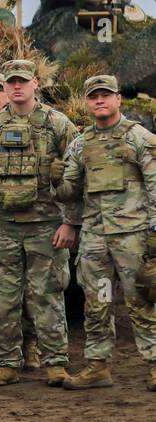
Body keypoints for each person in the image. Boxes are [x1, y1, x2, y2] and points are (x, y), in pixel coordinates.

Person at [0, 60, 77, 387]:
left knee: (46, 294)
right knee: (3, 296)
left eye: (22, 81)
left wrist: (70, 222)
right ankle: (5, 363)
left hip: (46, 224)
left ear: (35, 84)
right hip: (2, 225)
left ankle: (55, 363)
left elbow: (76, 175)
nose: (16, 87)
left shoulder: (58, 124)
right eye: (10, 83)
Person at [56, 74, 156, 392]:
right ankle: (98, 366)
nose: (99, 100)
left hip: (134, 234)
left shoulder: (139, 137)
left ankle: (155, 366)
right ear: (87, 103)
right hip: (95, 238)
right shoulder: (81, 143)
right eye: (93, 96)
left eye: (105, 95)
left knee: (142, 300)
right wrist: (55, 179)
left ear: (117, 99)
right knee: (97, 301)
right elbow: (70, 191)